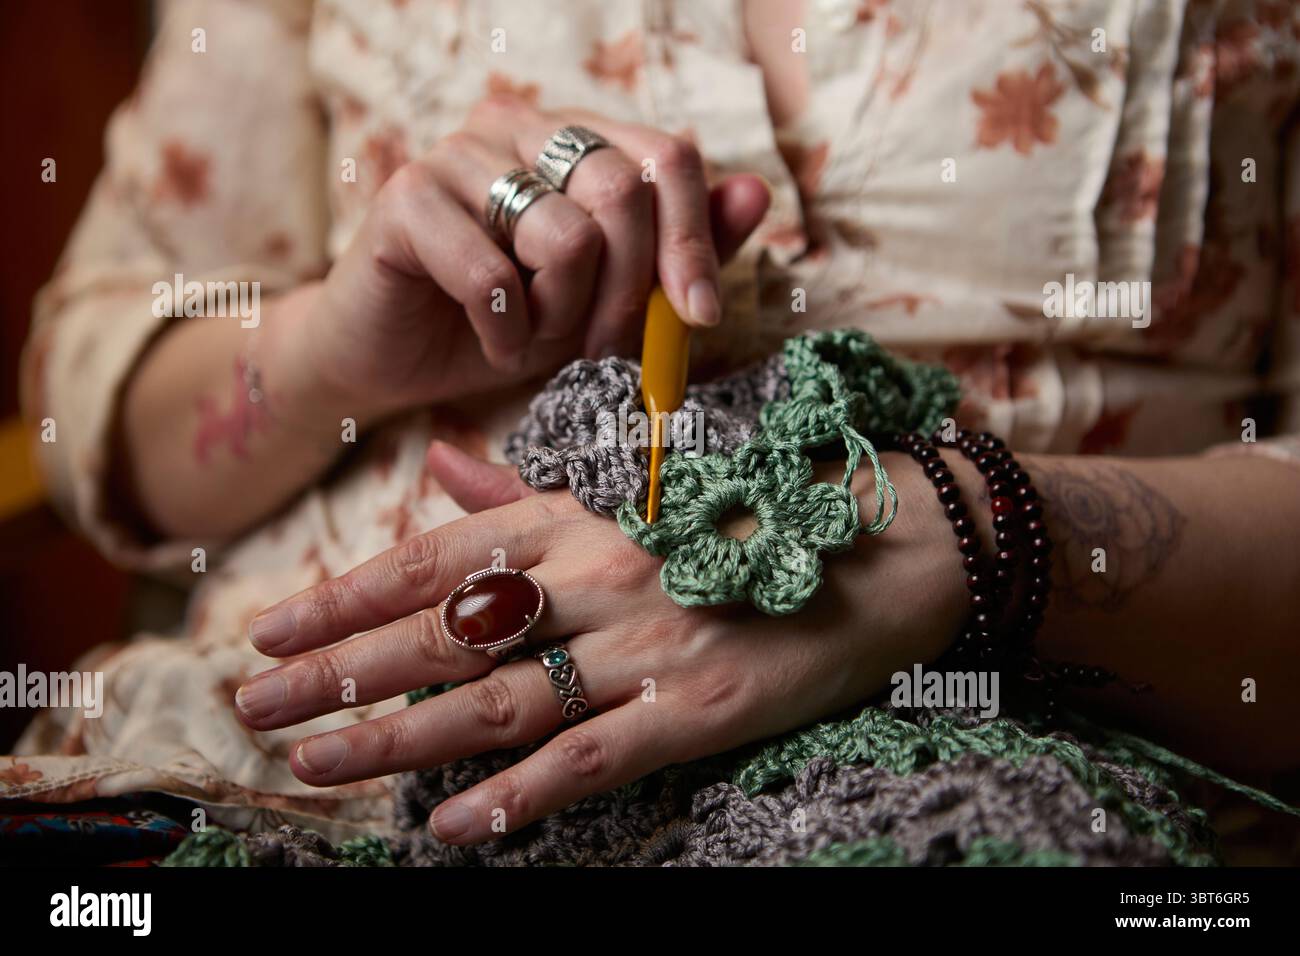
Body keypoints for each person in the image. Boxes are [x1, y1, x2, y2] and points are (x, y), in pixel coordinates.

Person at [14, 0, 1300, 848]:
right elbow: (92, 432)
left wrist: (950, 532)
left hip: (1027, 783)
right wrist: (318, 355)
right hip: (268, 774)